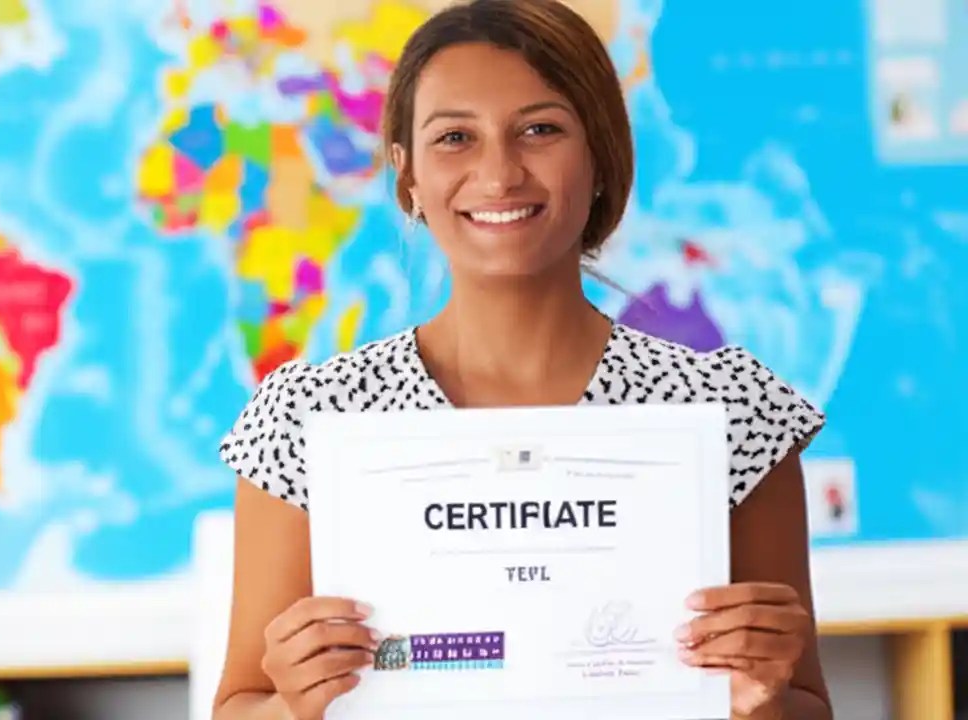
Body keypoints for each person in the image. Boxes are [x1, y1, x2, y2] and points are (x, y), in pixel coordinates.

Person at [210, 1, 833, 718]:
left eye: (540, 130)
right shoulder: (308, 420)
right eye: (454, 138)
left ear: (601, 155)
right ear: (406, 176)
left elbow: (807, 706)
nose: (499, 174)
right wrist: (293, 702)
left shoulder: (729, 411)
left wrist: (762, 697)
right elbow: (239, 708)